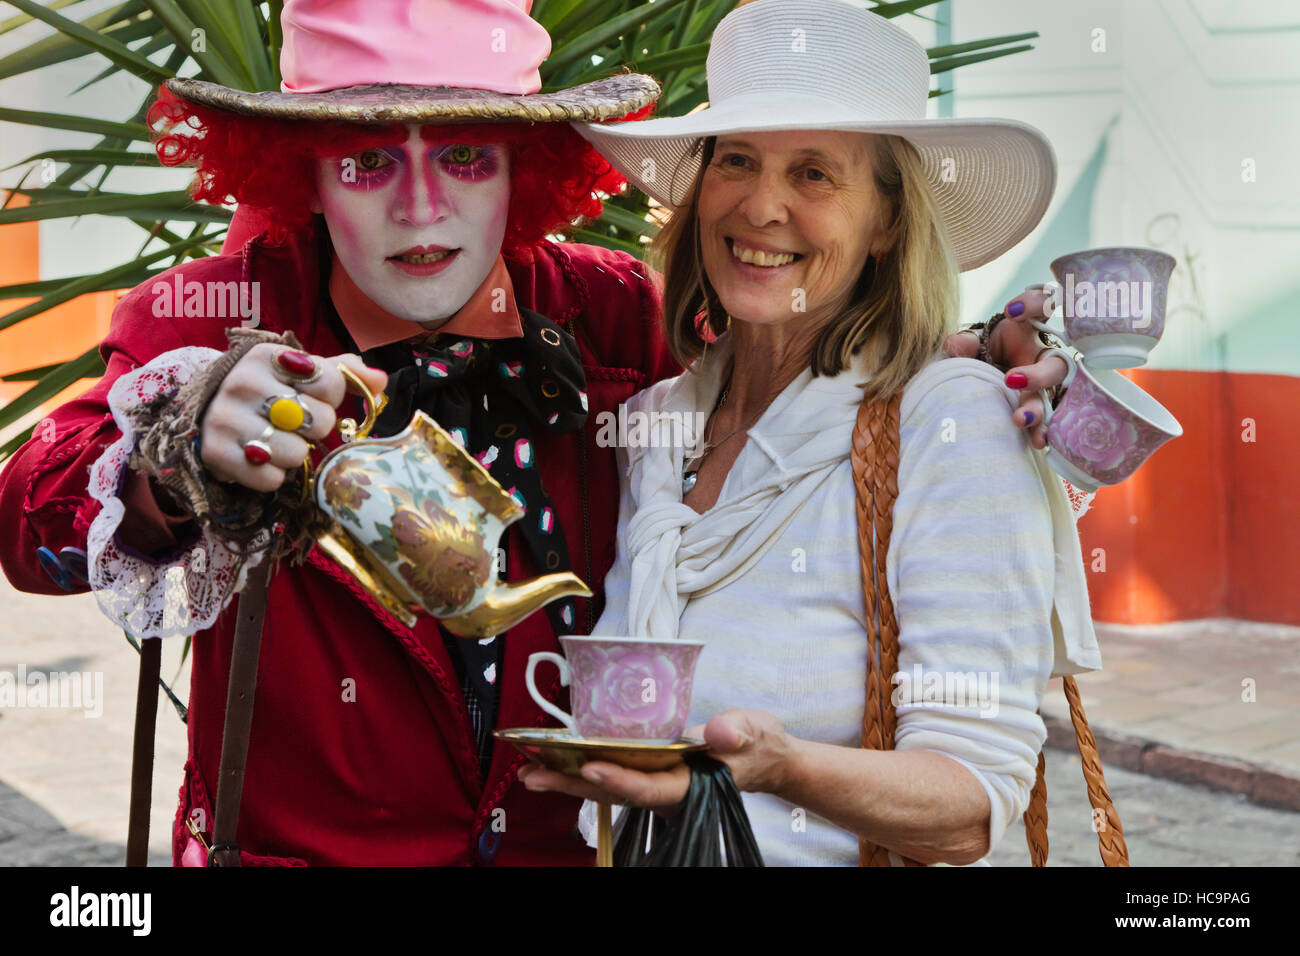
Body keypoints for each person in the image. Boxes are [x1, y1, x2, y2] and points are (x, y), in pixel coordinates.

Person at [0, 0, 1072, 866]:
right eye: (368, 161)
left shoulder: (615, 318)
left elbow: (798, 362)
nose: (421, 208)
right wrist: (175, 455)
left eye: (466, 154)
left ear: (524, 166)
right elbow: (35, 523)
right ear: (303, 170)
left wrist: (969, 361)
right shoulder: (212, 318)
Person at [518, 0, 1102, 866]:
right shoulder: (653, 427)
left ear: (888, 223)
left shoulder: (950, 420)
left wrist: (777, 767)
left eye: (815, 175)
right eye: (738, 161)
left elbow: (971, 806)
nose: (762, 206)